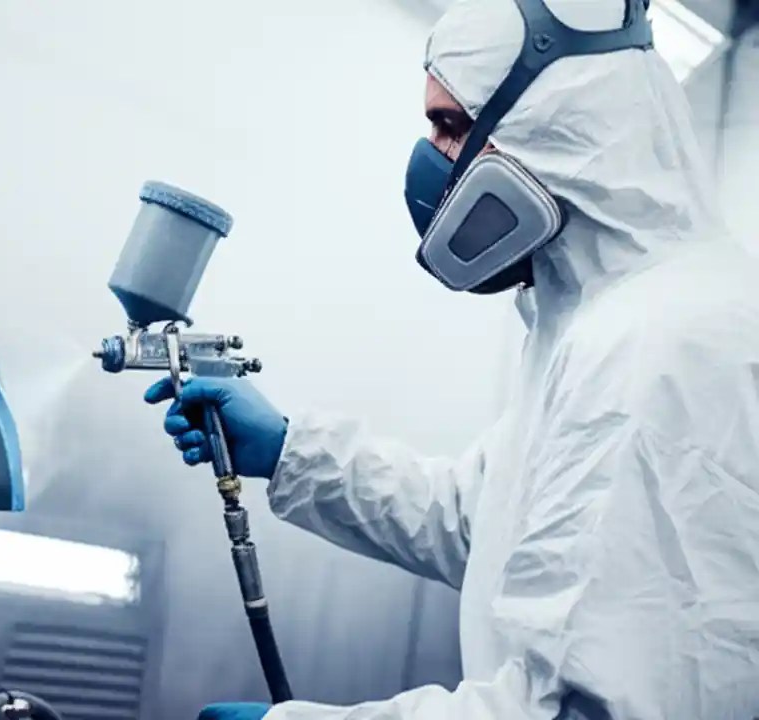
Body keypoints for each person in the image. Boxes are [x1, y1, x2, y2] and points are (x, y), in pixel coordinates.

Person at [146, 0, 759, 718]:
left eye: (449, 125)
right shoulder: (593, 328)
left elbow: (582, 710)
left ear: (556, 127)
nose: (431, 159)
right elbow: (479, 523)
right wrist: (288, 451)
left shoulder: (665, 348)